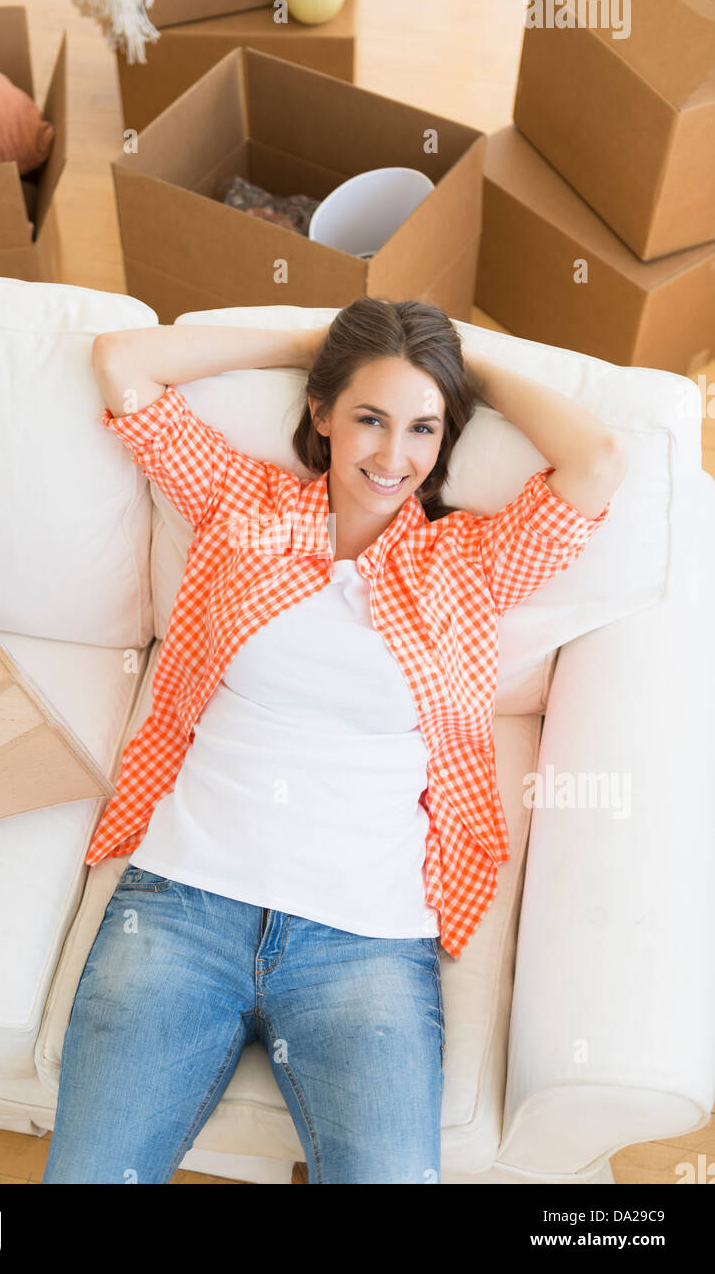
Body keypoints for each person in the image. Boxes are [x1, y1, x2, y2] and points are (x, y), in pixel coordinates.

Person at [43, 297, 626, 1185]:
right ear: (319, 413)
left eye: (423, 429)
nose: (393, 456)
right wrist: (314, 341)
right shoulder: (244, 507)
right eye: (368, 418)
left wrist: (458, 356)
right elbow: (124, 361)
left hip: (364, 942)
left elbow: (597, 460)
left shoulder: (464, 563)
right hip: (182, 904)